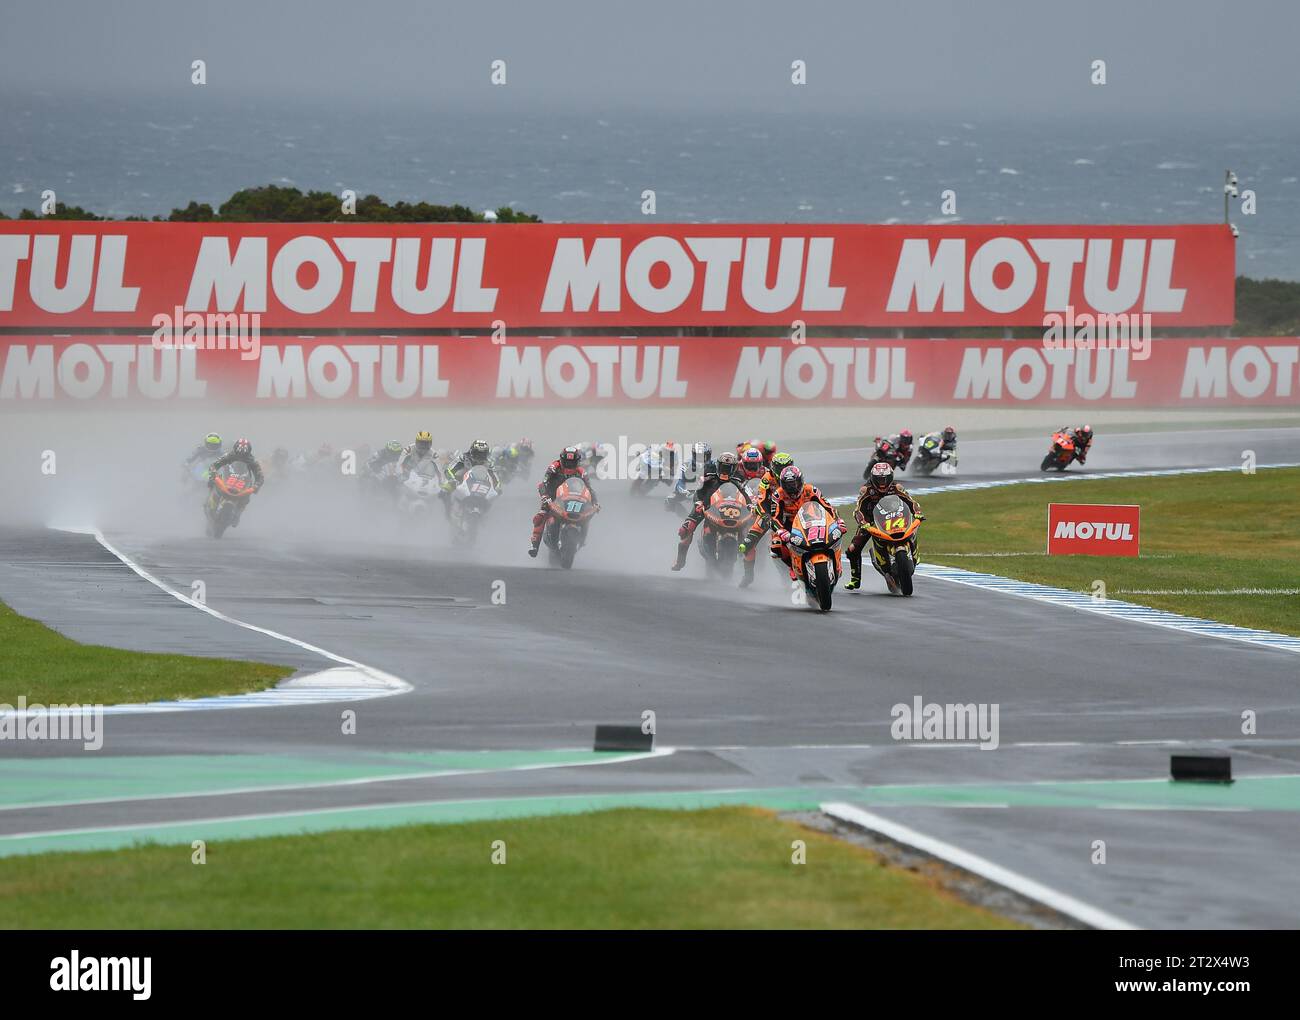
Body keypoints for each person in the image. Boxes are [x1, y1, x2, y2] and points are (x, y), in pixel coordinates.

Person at [740, 465, 837, 581]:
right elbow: (774, 516)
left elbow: (828, 507)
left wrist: (837, 520)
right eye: (788, 485)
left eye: (794, 484)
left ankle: (835, 564)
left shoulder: (811, 490)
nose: (792, 488)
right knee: (775, 547)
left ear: (800, 481)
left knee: (835, 534)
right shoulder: (776, 493)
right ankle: (792, 566)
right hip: (785, 522)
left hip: (810, 520)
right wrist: (781, 530)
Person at [844, 462, 924, 591]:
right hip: (871, 521)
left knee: (912, 530)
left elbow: (911, 501)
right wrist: (863, 522)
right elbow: (858, 509)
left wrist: (918, 513)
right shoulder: (866, 490)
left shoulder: (897, 487)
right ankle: (855, 579)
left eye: (885, 479)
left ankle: (914, 555)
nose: (882, 483)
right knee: (853, 549)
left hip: (895, 517)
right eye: (879, 479)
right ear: (873, 478)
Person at [671, 453, 751, 570]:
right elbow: (699, 491)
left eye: (729, 468)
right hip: (706, 503)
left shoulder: (739, 478)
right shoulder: (708, 474)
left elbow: (747, 493)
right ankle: (680, 560)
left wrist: (751, 505)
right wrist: (699, 502)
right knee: (686, 529)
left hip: (731, 507)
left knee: (752, 525)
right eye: (723, 467)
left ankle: (746, 559)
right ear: (718, 466)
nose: (725, 471)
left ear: (734, 468)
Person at [529, 446, 600, 557]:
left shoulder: (581, 472)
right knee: (541, 514)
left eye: (572, 463)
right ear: (562, 460)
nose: (569, 465)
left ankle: (581, 539)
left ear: (577, 462)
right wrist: (545, 496)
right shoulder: (554, 467)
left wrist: (595, 502)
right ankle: (534, 545)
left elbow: (589, 489)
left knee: (587, 511)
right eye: (567, 462)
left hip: (572, 496)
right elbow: (543, 483)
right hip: (552, 496)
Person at [207, 437, 265, 527]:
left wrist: (256, 486)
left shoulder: (252, 461)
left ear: (248, 452)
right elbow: (214, 465)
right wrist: (213, 475)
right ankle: (211, 505)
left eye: (244, 455)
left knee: (246, 498)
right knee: (213, 484)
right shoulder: (229, 455)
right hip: (228, 476)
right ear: (235, 450)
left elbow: (260, 476)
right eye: (239, 454)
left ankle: (238, 514)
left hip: (242, 480)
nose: (241, 457)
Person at [665, 441, 713, 509]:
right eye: (698, 456)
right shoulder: (687, 465)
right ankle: (683, 516)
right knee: (670, 500)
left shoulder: (714, 464)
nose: (701, 459)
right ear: (693, 455)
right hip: (691, 490)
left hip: (711, 489)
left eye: (704, 456)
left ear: (709, 456)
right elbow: (681, 482)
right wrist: (685, 491)